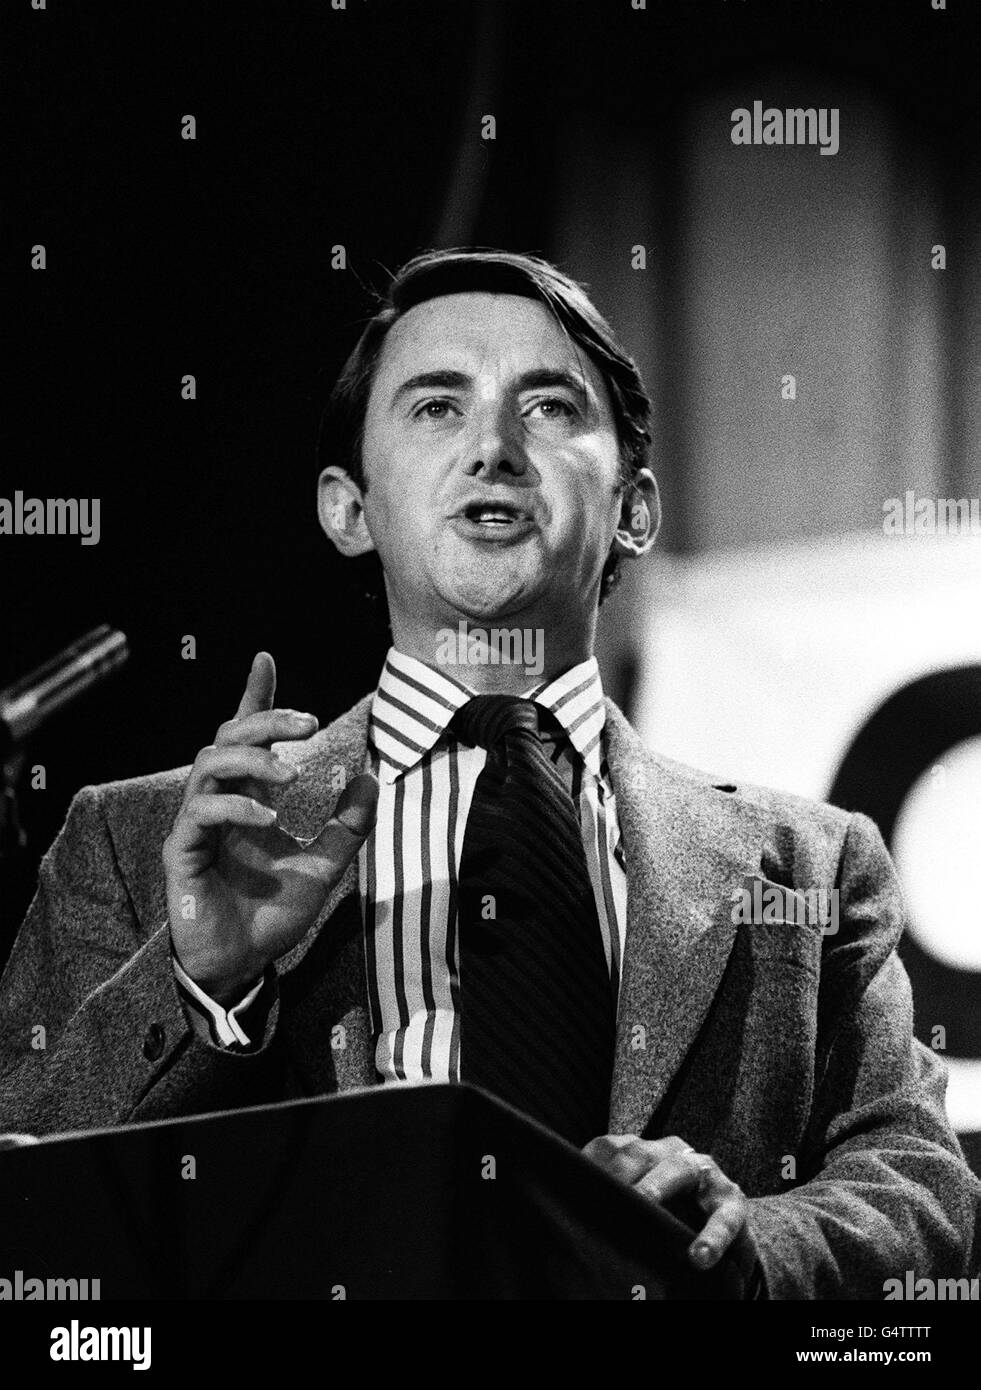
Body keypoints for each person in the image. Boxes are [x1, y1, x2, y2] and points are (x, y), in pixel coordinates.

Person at [0, 249, 977, 1299]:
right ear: (349, 509)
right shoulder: (136, 843)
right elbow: (25, 1196)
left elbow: (921, 1185)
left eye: (549, 407)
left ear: (635, 510)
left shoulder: (814, 864)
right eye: (435, 408)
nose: (495, 449)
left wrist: (747, 1248)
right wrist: (200, 982)